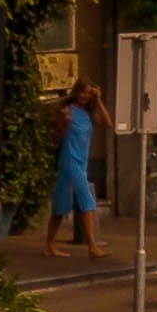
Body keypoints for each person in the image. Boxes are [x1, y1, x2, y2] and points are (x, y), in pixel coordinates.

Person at [48, 78, 106, 256]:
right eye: (83, 92)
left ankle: (48, 246)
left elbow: (108, 123)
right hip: (69, 160)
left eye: (89, 93)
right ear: (76, 92)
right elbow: (56, 138)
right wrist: (64, 122)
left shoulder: (88, 114)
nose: (85, 96)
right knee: (87, 200)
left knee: (60, 203)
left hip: (81, 162)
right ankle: (92, 247)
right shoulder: (67, 111)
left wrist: (99, 100)